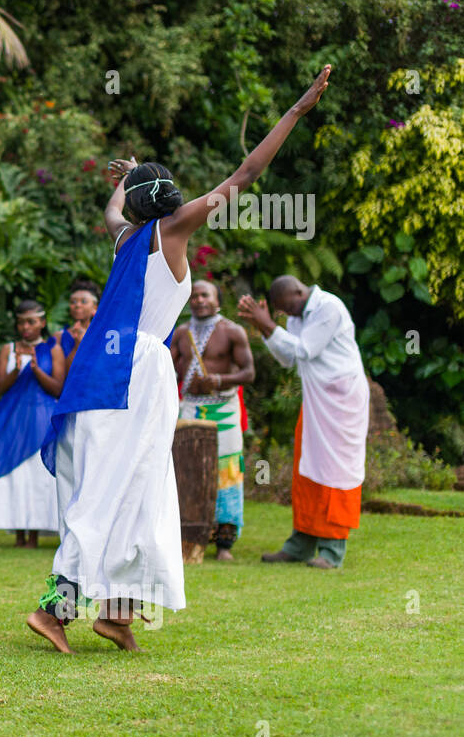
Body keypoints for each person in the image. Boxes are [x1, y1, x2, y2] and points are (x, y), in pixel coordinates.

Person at [25, 64, 332, 654]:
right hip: (131, 374)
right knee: (118, 486)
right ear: (162, 204)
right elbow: (246, 174)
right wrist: (294, 112)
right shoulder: (169, 232)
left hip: (102, 373)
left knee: (139, 486)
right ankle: (56, 610)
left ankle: (116, 613)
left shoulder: (125, 237)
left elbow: (115, 210)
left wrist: (124, 177)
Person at [237, 275, 368, 569]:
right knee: (306, 465)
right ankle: (301, 544)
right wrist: (264, 327)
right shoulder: (299, 314)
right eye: (280, 311)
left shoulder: (328, 308)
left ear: (299, 291)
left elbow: (305, 350)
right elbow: (289, 359)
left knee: (335, 468)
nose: (285, 315)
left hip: (341, 400)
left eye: (286, 308)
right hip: (316, 398)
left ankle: (332, 549)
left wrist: (268, 325)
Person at [170, 280, 255, 560]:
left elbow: (248, 372)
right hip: (190, 407)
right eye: (194, 295)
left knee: (227, 473)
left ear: (217, 300)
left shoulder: (232, 331)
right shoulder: (181, 333)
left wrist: (218, 380)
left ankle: (224, 544)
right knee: (188, 472)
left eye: (205, 294)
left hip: (224, 409)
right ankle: (190, 539)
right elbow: (168, 369)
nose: (199, 300)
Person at [0, 300, 66, 548]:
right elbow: (1, 387)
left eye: (31, 321)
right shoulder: (8, 350)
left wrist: (36, 369)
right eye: (21, 321)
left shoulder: (52, 349)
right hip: (11, 419)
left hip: (41, 418)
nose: (26, 326)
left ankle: (34, 534)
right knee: (16, 476)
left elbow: (58, 387)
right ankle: (18, 534)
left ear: (42, 322)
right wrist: (18, 368)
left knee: (37, 476)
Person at [55, 280, 100, 363]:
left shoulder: (102, 334)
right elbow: (63, 374)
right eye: (73, 302)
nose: (77, 305)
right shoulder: (59, 336)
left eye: (84, 301)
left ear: (95, 307)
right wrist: (77, 345)